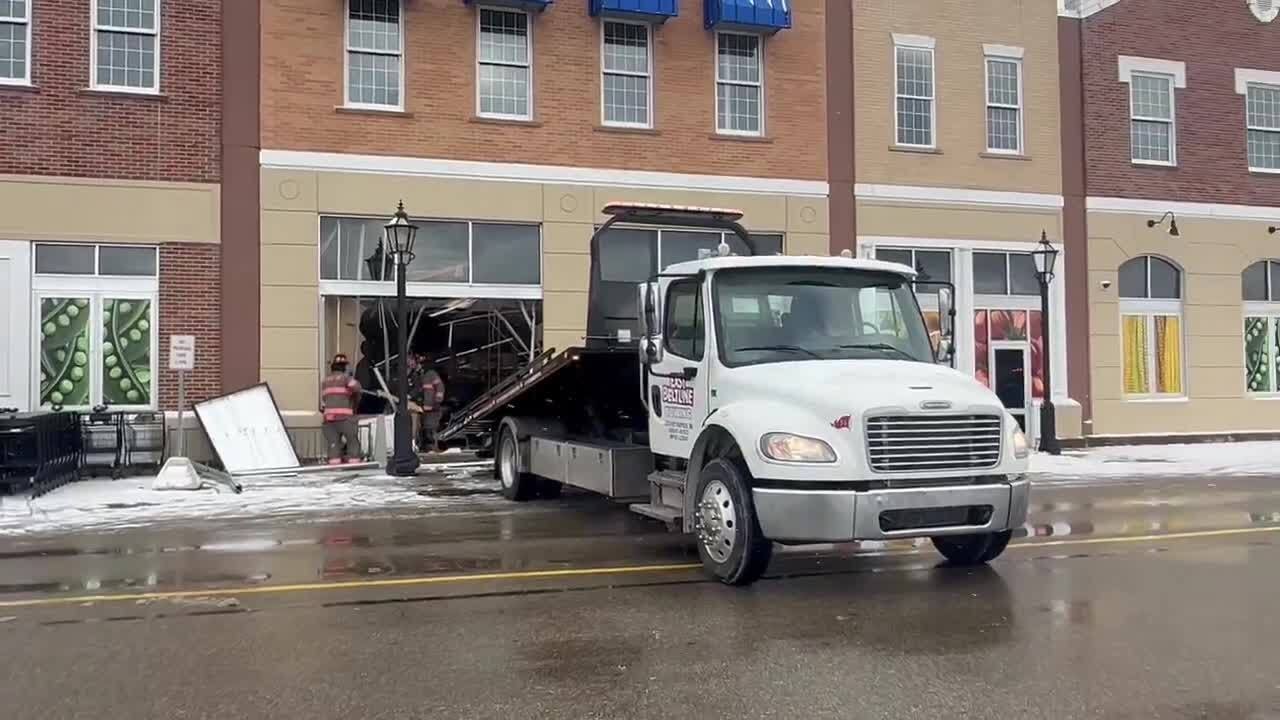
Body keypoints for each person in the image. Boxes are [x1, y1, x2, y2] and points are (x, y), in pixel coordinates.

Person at [321, 353, 363, 465]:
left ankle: (334, 466)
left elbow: (325, 398)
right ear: (345, 367)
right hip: (344, 419)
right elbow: (357, 387)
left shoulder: (325, 381)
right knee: (352, 442)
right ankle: (354, 464)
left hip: (328, 420)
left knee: (334, 443)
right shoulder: (346, 378)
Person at [417, 353, 446, 453]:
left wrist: (437, 400)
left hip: (432, 407)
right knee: (425, 428)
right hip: (424, 408)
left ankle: (433, 447)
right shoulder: (421, 375)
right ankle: (425, 447)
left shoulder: (431, 374)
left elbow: (440, 387)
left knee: (431, 428)